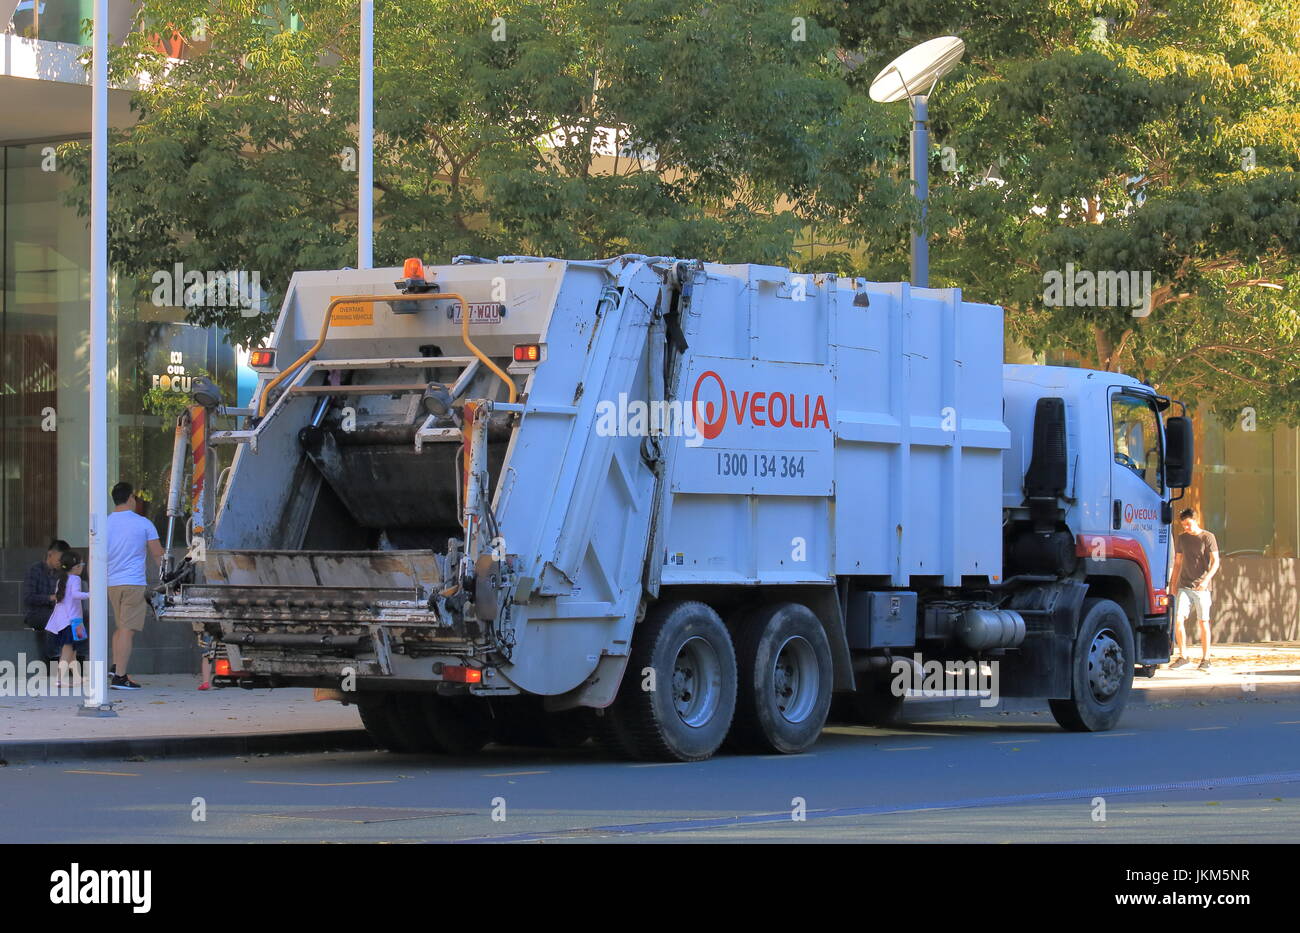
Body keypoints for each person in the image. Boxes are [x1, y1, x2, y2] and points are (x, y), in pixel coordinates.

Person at [106, 482, 163, 690]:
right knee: (127, 630)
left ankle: (115, 667)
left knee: (121, 628)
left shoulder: (105, 523)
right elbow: (158, 554)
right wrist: (167, 578)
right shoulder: (143, 523)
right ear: (130, 497)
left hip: (112, 583)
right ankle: (120, 677)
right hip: (134, 583)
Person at [1168, 508, 1220, 672]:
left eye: (1188, 524)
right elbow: (1177, 563)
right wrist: (1172, 584)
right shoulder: (1182, 538)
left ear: (1195, 521)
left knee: (1203, 621)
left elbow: (1216, 562)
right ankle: (1183, 656)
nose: (1186, 528)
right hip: (1184, 584)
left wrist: (1206, 580)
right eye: (1184, 525)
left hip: (1201, 587)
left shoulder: (1208, 537)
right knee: (1178, 619)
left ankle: (1206, 658)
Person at [45, 550, 89, 686]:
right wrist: (91, 594)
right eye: (82, 564)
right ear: (76, 567)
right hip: (73, 621)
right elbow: (76, 595)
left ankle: (76, 677)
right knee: (68, 650)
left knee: (73, 651)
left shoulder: (61, 580)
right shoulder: (75, 579)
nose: (83, 566)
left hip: (65, 621)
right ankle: (59, 679)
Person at [22, 539, 70, 645]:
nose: (62, 562)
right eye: (60, 558)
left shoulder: (61, 573)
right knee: (61, 619)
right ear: (50, 554)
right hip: (35, 614)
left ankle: (77, 654)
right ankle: (53, 655)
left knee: (79, 617)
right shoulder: (35, 570)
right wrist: (51, 598)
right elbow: (28, 598)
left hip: (55, 612)